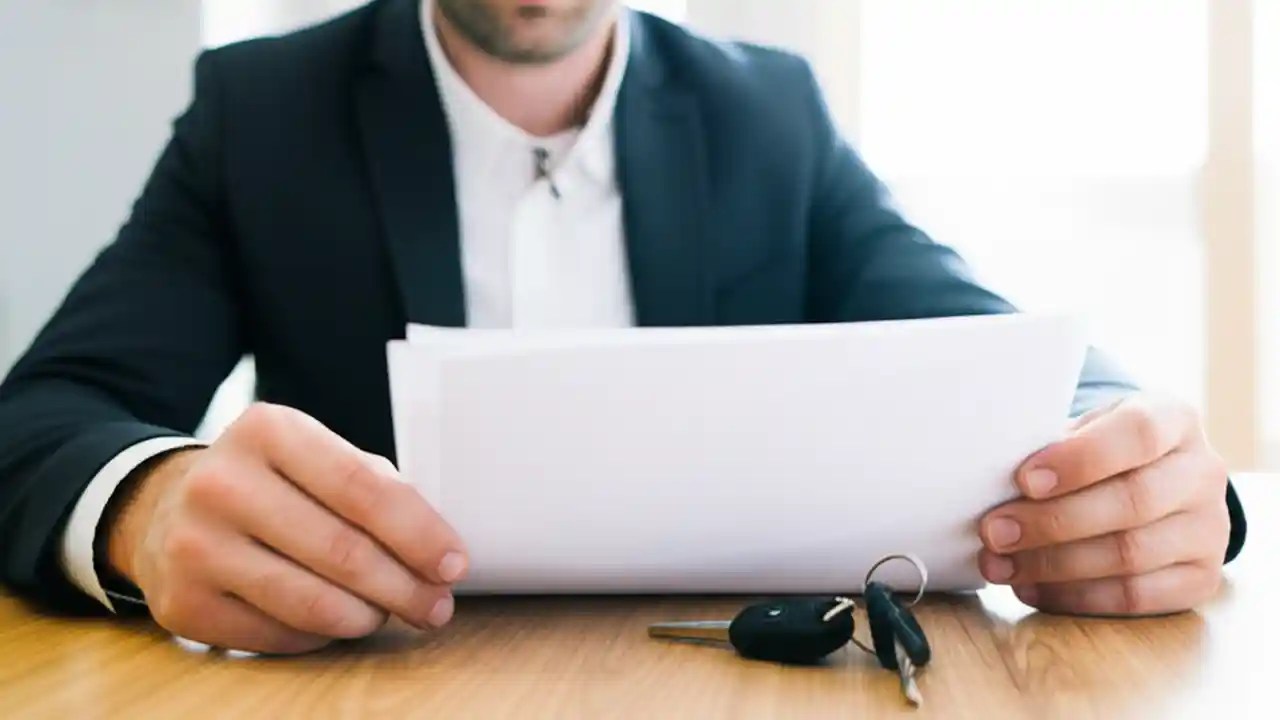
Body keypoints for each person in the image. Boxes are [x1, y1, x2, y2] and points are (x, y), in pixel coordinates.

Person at [0, 0, 1244, 655]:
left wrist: (1147, 468)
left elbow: (1010, 350)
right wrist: (147, 507)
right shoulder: (262, 108)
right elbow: (45, 414)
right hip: (371, 686)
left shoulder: (765, 110)